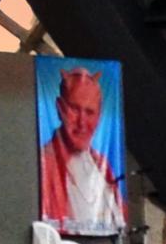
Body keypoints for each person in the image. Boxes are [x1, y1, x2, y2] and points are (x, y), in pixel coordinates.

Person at [40, 62, 121, 232]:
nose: (82, 123)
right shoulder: (43, 165)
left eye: (90, 112)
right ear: (59, 108)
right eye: (75, 110)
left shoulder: (102, 165)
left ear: (99, 116)